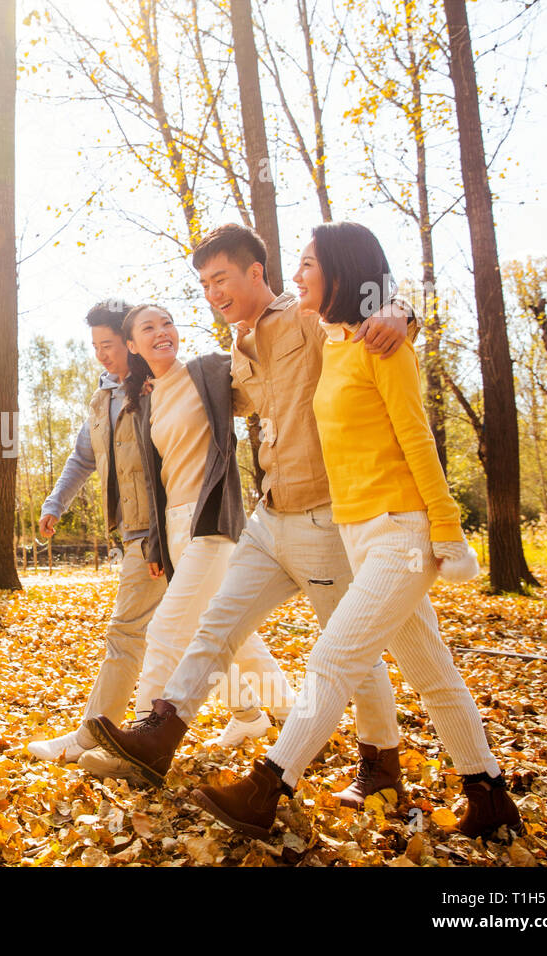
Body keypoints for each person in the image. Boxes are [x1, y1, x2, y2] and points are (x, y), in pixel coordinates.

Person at [184, 222, 520, 840]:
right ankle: (490, 794)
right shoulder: (335, 342)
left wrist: (447, 532)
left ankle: (267, 787)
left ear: (339, 271)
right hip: (360, 532)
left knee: (333, 659)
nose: (299, 274)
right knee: (433, 672)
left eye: (309, 263)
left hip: (402, 530)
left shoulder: (379, 343)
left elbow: (417, 437)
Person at [84, 223, 411, 808]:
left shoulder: (306, 317)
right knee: (218, 624)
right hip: (269, 514)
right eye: (204, 284)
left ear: (256, 272)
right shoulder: (234, 351)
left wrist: (400, 309)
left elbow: (363, 322)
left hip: (324, 512)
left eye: (221, 279)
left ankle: (380, 763)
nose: (212, 293)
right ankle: (161, 732)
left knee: (349, 648)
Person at [78, 303, 295, 786]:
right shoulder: (147, 397)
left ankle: (137, 746)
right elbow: (155, 481)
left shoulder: (208, 371)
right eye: (148, 328)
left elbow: (258, 378)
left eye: (167, 323)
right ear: (133, 345)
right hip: (175, 531)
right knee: (233, 634)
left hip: (212, 522)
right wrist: (156, 544)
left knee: (167, 630)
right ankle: (285, 715)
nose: (162, 333)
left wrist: (249, 330)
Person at [25, 300, 169, 764]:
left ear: (130, 341)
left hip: (157, 532)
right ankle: (252, 710)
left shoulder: (159, 385)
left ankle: (93, 733)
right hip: (134, 530)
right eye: (95, 347)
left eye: (107, 345)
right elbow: (83, 457)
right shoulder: (103, 394)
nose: (101, 355)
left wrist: (160, 535)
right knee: (218, 625)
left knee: (126, 632)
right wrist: (55, 503)